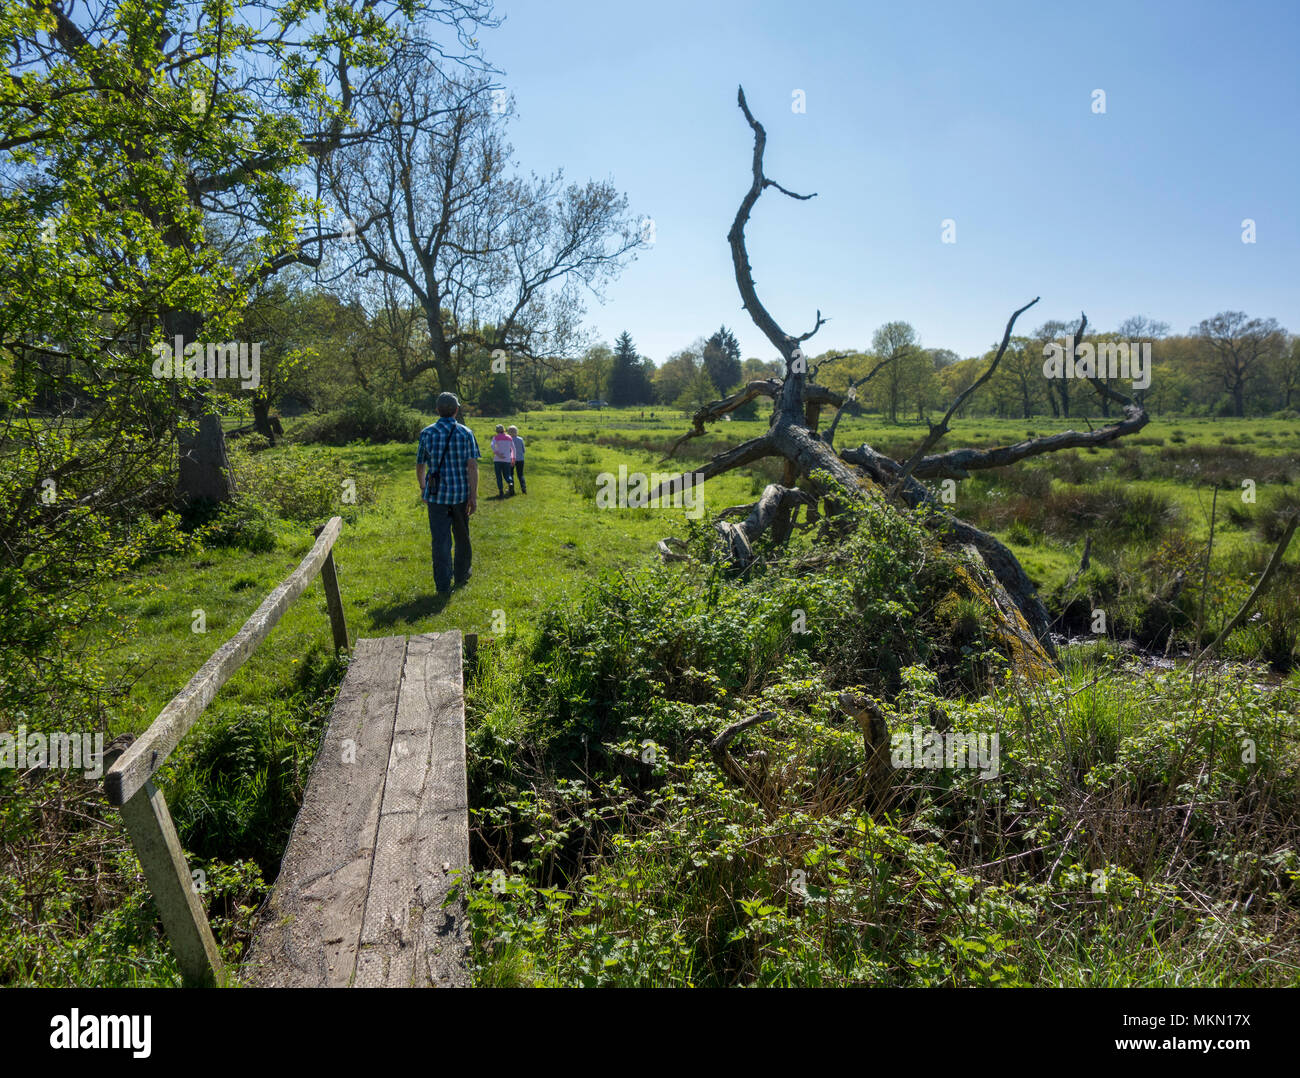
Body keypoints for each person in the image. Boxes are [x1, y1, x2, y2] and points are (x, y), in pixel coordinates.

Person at [416, 392, 479, 596]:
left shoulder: (427, 433)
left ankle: (443, 584)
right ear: (456, 410)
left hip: (436, 497)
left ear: (437, 410)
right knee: (462, 537)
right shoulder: (466, 433)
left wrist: (423, 488)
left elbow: (420, 464)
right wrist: (473, 496)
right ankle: (461, 574)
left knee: (440, 540)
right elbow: (472, 466)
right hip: (460, 495)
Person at [490, 423, 516, 497]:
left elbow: (492, 445)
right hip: (507, 459)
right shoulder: (509, 437)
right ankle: (510, 483)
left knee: (499, 476)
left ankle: (501, 491)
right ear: (504, 430)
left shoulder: (495, 437)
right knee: (507, 475)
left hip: (497, 460)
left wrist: (497, 453)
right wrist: (513, 458)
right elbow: (513, 449)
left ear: (496, 431)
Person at [507, 424, 526, 493]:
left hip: (511, 459)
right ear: (516, 432)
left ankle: (511, 489)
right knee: (520, 474)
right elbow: (523, 450)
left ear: (509, 432)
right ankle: (523, 487)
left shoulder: (508, 440)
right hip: (520, 459)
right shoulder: (520, 439)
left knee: (510, 474)